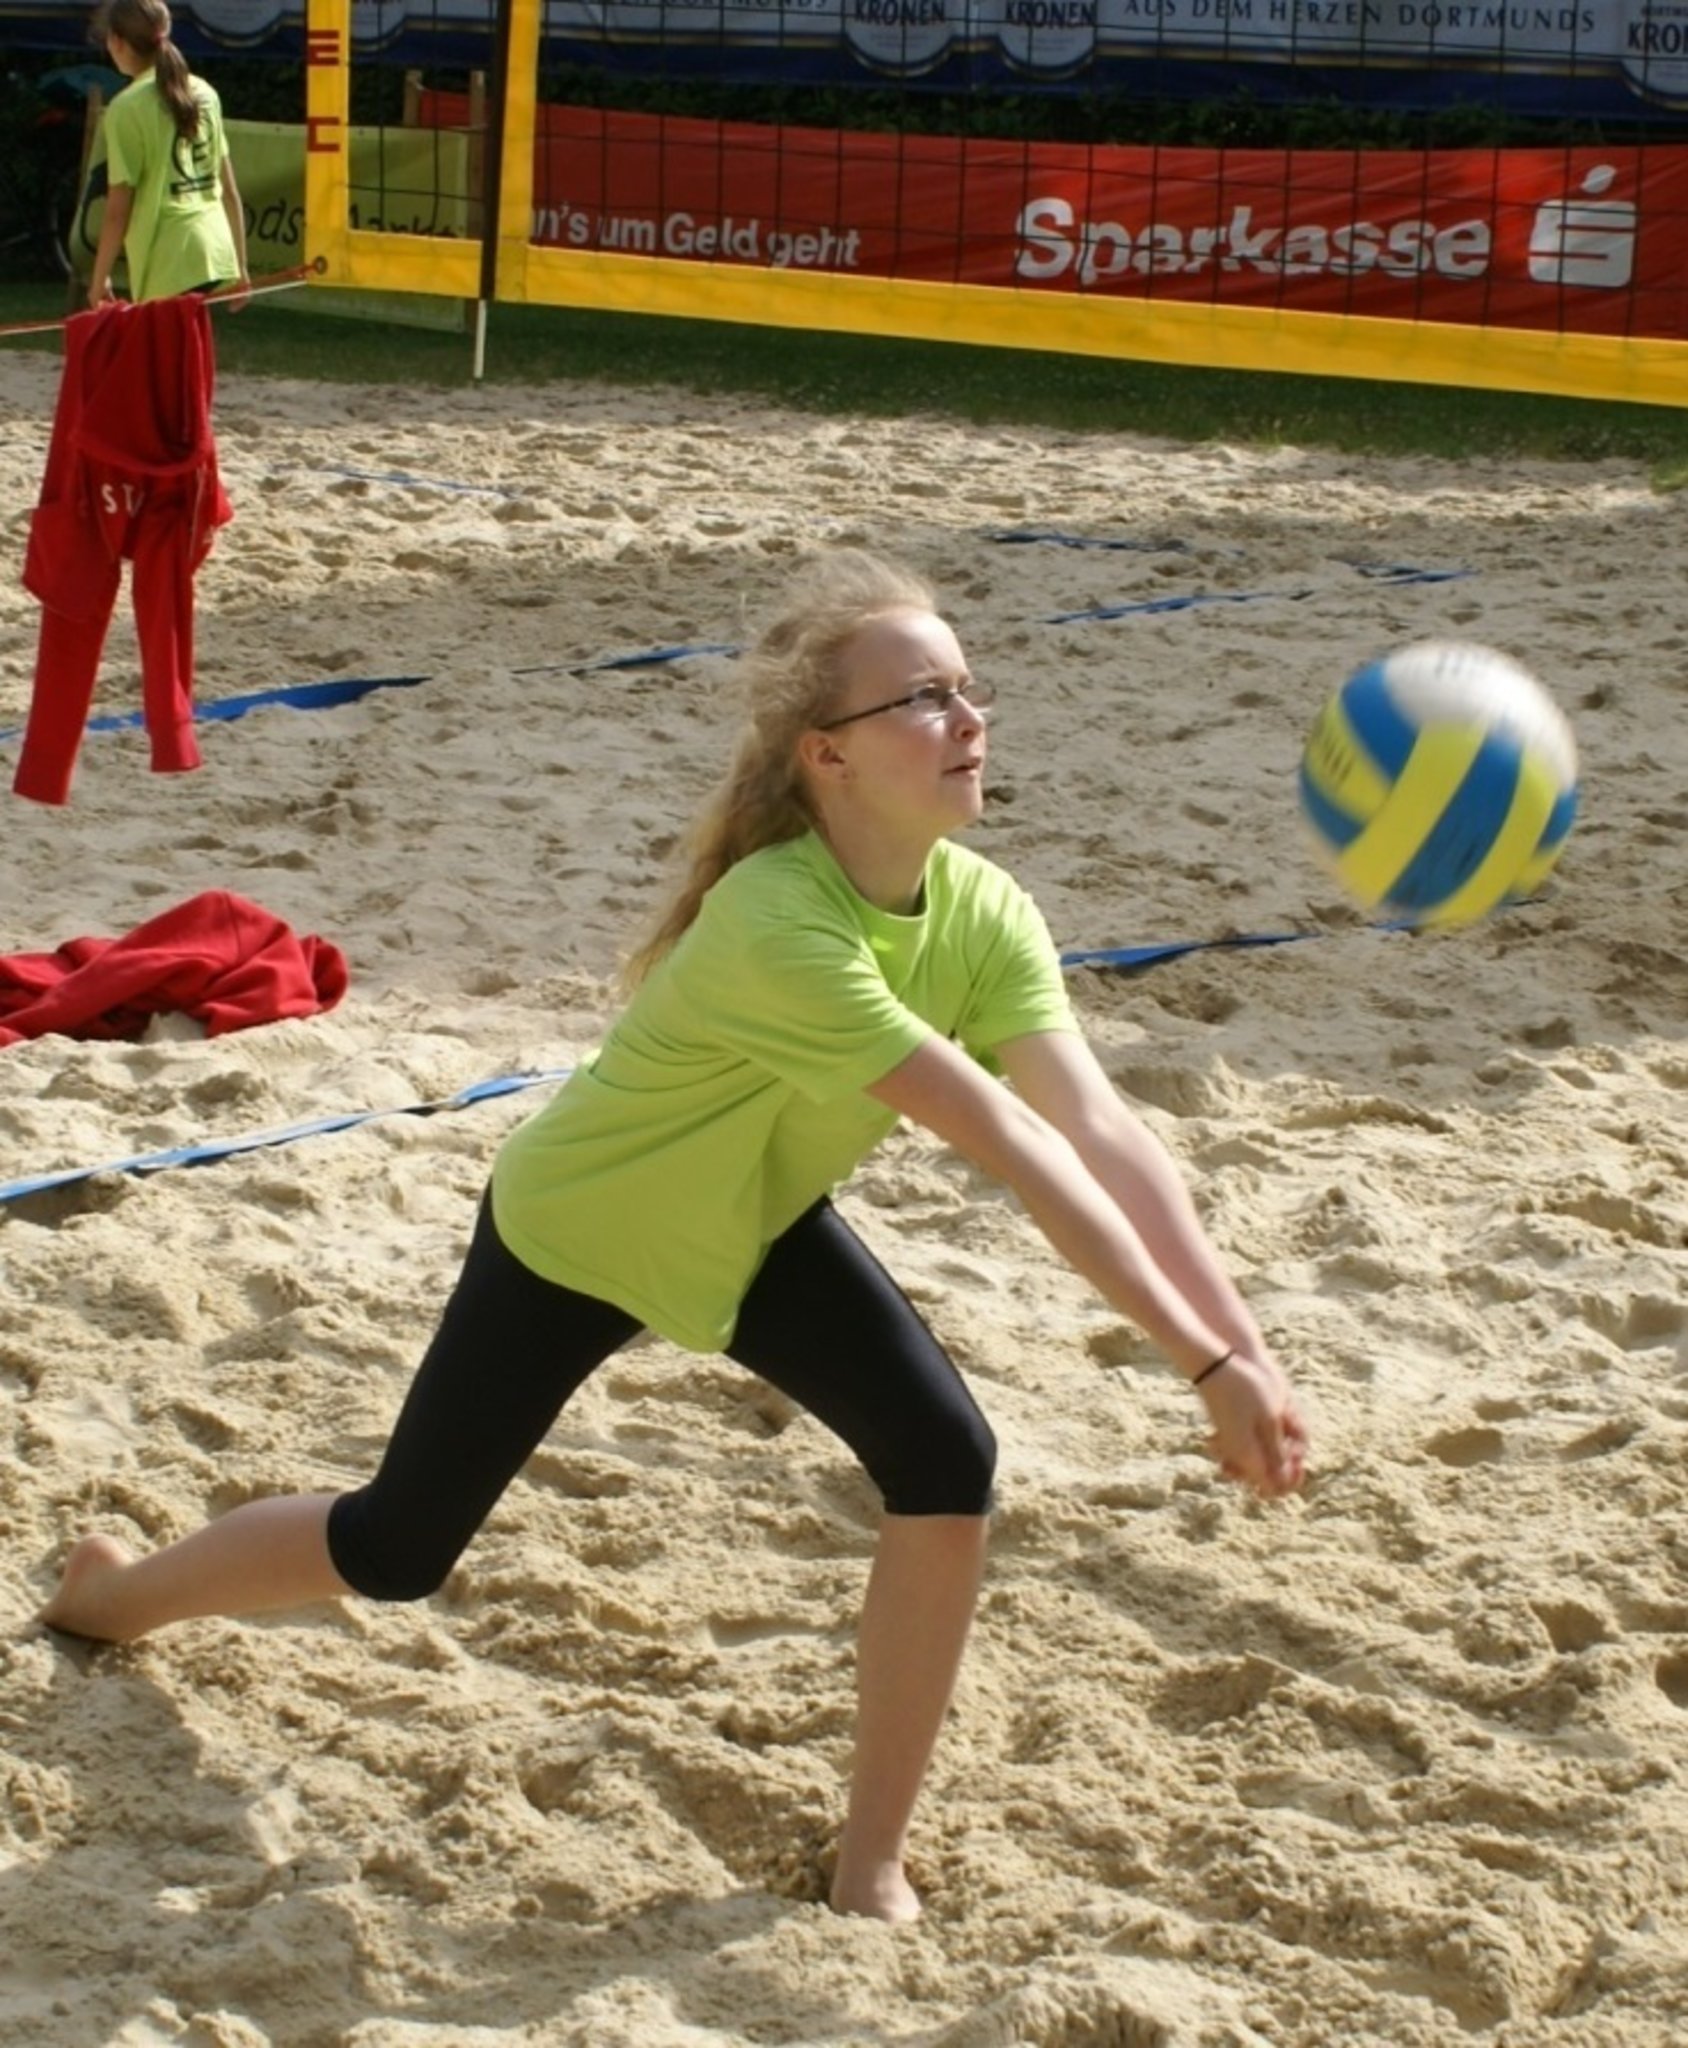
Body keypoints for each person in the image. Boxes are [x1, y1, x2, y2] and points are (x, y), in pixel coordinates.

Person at [37, 551, 1308, 1923]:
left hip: (753, 1223)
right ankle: (112, 1599)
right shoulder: (779, 923)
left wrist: (1238, 1348)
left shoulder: (984, 911)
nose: (969, 718)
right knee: (399, 1549)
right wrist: (1202, 1365)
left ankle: (868, 1862)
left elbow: (1103, 1131)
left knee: (947, 1461)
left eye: (968, 688)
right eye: (924, 698)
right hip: (583, 1228)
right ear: (827, 755)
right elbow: (1014, 1143)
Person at [85, 0, 249, 310]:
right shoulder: (205, 92)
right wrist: (241, 267)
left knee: (159, 358)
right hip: (213, 250)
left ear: (116, 41)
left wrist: (98, 282)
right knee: (182, 355)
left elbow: (118, 209)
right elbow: (229, 190)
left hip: (168, 259)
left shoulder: (126, 107)